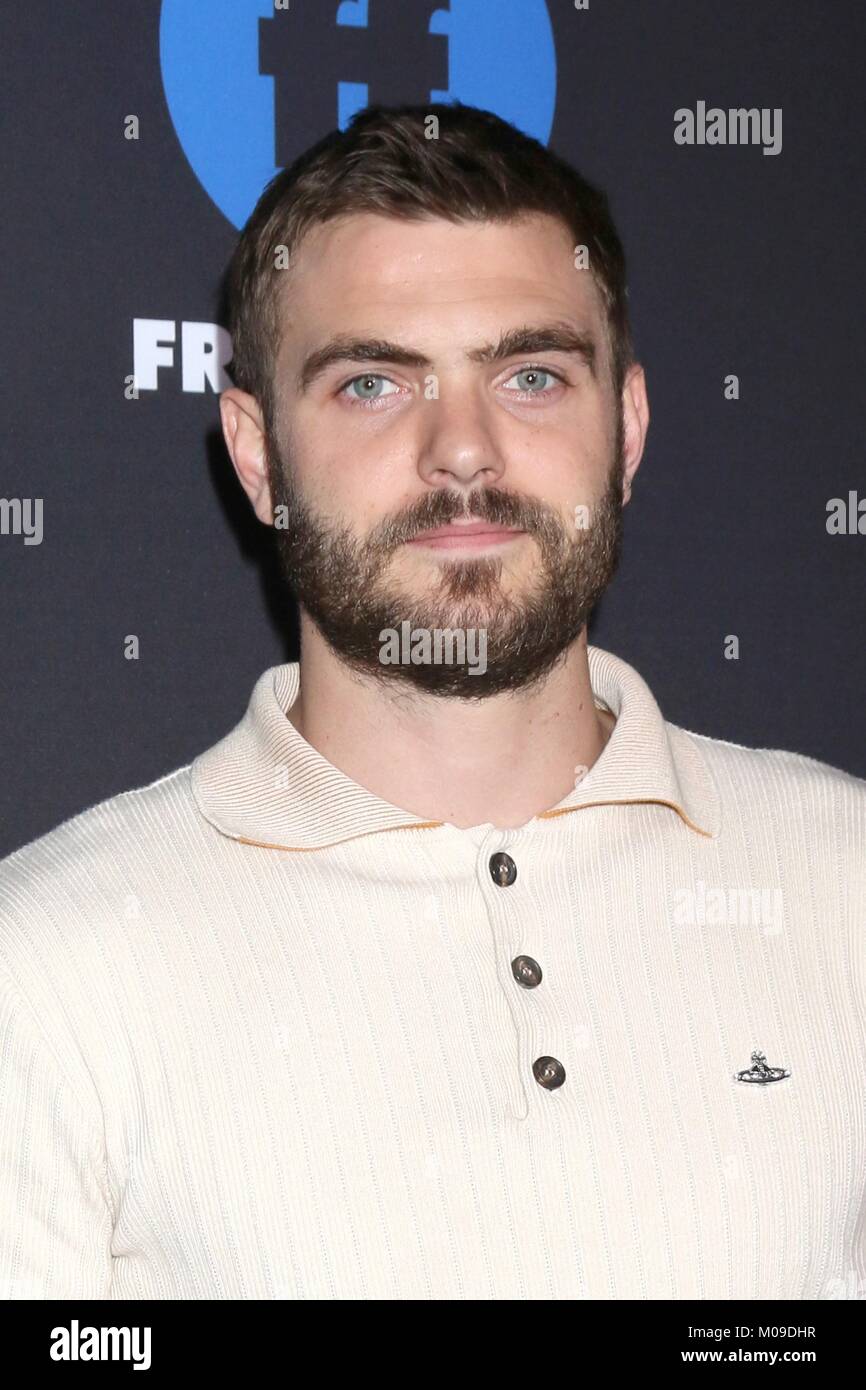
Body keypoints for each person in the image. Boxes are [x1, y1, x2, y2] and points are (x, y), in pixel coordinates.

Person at [1, 103, 864, 1301]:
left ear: (625, 429)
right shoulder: (42, 967)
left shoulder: (843, 882)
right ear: (257, 456)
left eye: (529, 375)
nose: (461, 452)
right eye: (369, 384)